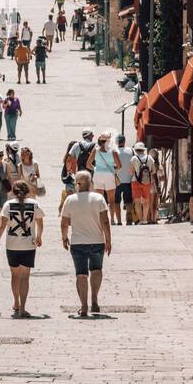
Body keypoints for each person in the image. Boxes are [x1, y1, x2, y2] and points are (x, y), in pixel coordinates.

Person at [61, 171, 112, 317]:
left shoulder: (70, 200)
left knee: (81, 275)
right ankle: (94, 300)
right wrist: (108, 240)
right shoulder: (99, 198)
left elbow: (64, 223)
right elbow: (105, 221)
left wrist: (64, 238)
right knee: (96, 270)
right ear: (90, 183)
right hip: (97, 241)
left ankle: (84, 306)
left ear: (77, 184)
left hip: (77, 243)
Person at [0, 179, 44, 318]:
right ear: (27, 191)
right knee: (25, 277)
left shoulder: (8, 205)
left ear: (13, 191)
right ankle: (23, 308)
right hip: (28, 246)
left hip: (12, 245)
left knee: (15, 275)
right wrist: (39, 237)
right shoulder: (34, 204)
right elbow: (40, 223)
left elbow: (2, 226)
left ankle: (16, 302)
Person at [131, 141, 157, 225]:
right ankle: (145, 220)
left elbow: (131, 172)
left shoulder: (134, 158)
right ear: (143, 150)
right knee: (146, 201)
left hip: (135, 181)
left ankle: (141, 220)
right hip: (147, 182)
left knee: (137, 202)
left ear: (136, 150)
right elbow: (154, 171)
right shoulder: (149, 158)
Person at [91, 133, 119, 207]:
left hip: (98, 174)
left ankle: (100, 217)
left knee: (99, 199)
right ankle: (112, 218)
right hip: (109, 174)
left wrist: (95, 168)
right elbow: (119, 166)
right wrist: (113, 167)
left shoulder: (95, 150)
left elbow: (88, 164)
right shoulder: (113, 151)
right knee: (111, 200)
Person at [113, 133, 134, 225]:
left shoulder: (114, 151)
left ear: (117, 142)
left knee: (116, 202)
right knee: (129, 202)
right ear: (124, 142)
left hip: (116, 181)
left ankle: (119, 221)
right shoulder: (131, 151)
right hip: (128, 180)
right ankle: (129, 220)